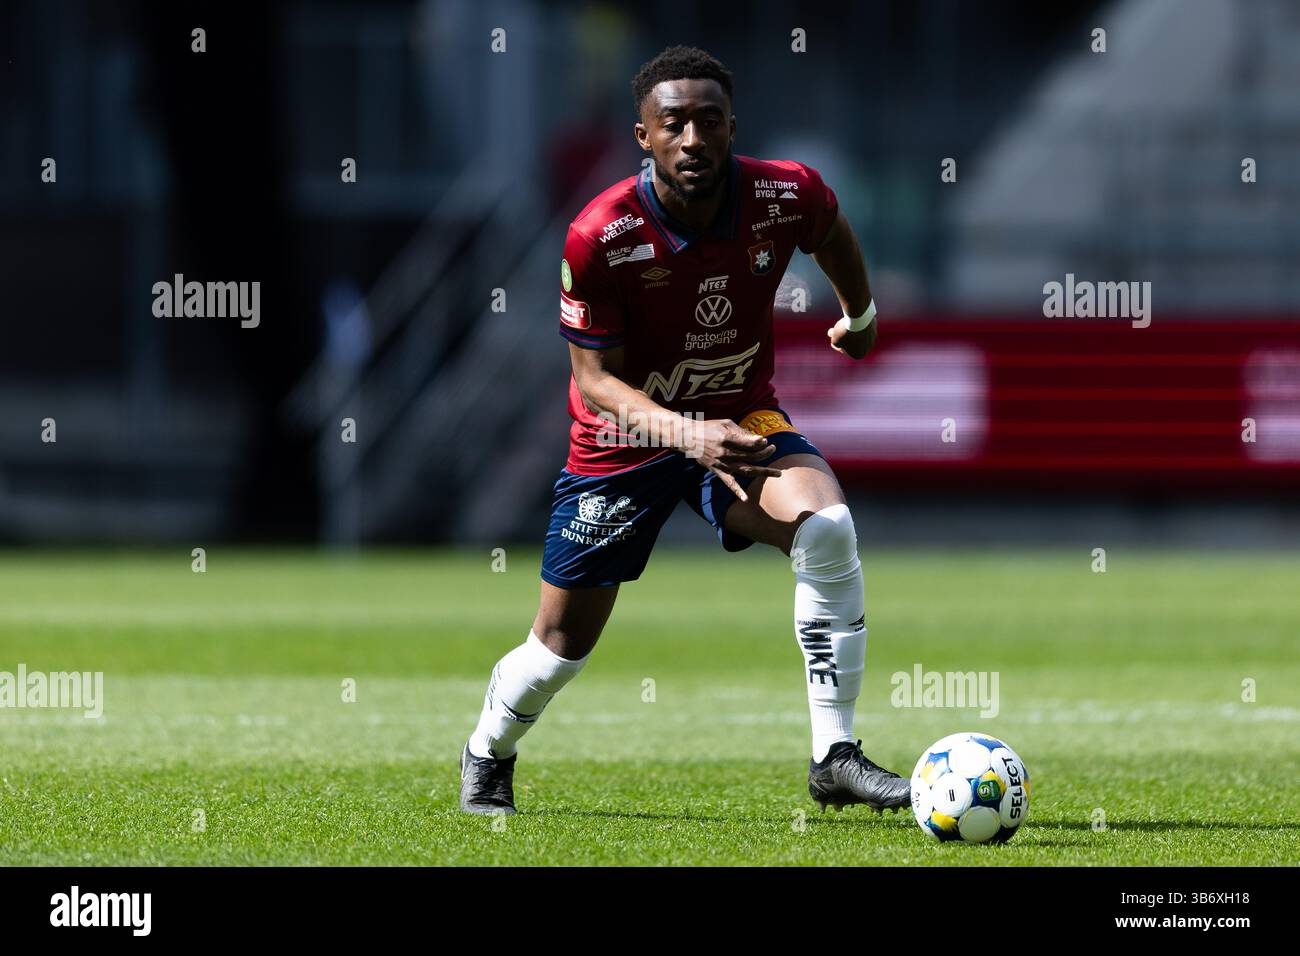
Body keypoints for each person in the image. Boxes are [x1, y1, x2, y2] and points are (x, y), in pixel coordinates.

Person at [460, 45, 908, 817]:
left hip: (741, 422)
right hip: (620, 447)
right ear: (644, 136)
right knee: (559, 650)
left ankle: (833, 756)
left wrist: (860, 317)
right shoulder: (600, 234)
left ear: (733, 127)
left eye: (708, 121)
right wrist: (686, 435)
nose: (693, 138)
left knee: (828, 528)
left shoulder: (783, 192)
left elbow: (831, 230)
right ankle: (488, 750)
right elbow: (595, 382)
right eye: (674, 124)